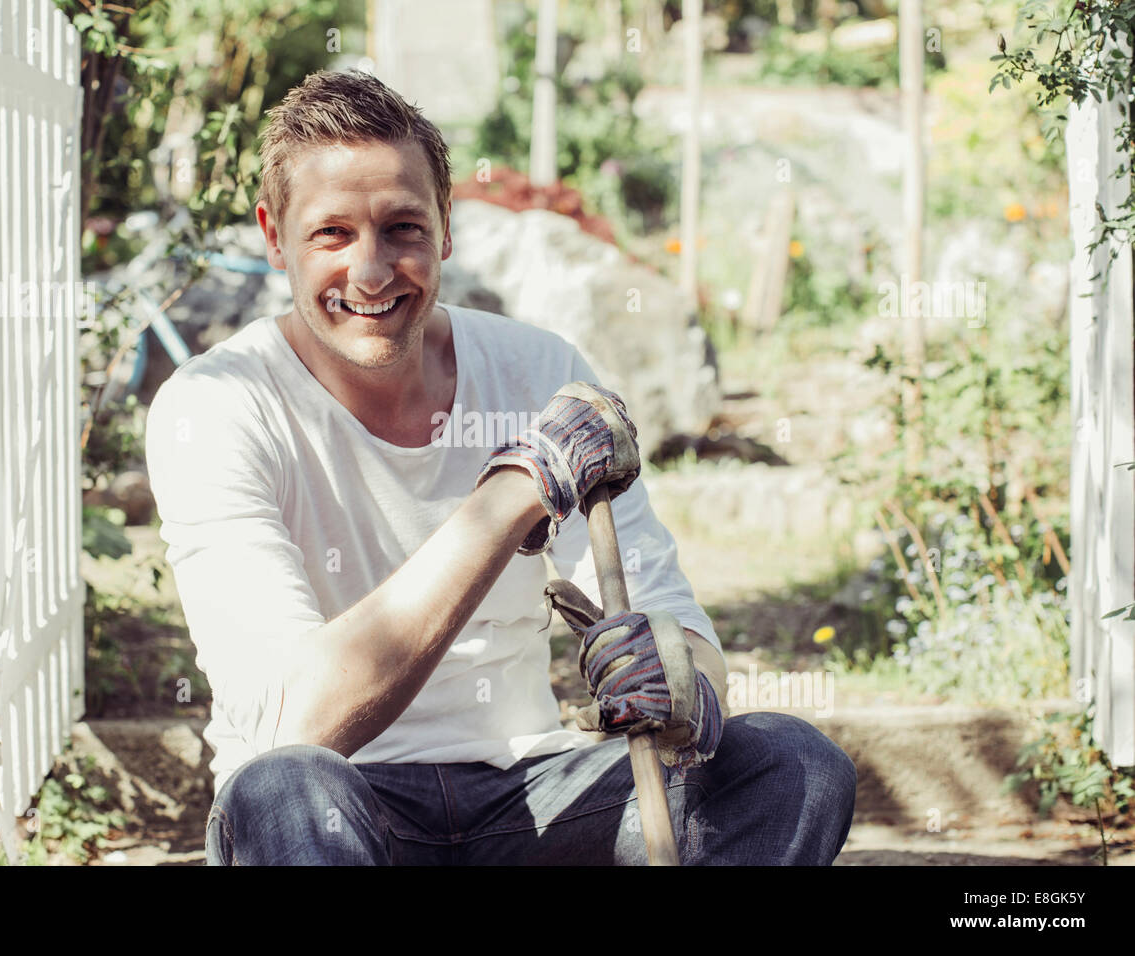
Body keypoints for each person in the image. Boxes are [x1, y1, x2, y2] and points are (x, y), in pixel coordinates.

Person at [144, 69, 856, 866]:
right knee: (286, 787)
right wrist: (515, 493)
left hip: (529, 794)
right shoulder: (214, 405)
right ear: (274, 235)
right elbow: (295, 722)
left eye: (404, 229)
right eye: (332, 234)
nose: (372, 272)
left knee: (792, 764)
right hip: (337, 814)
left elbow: (679, 625)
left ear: (447, 228)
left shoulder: (539, 368)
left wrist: (679, 681)